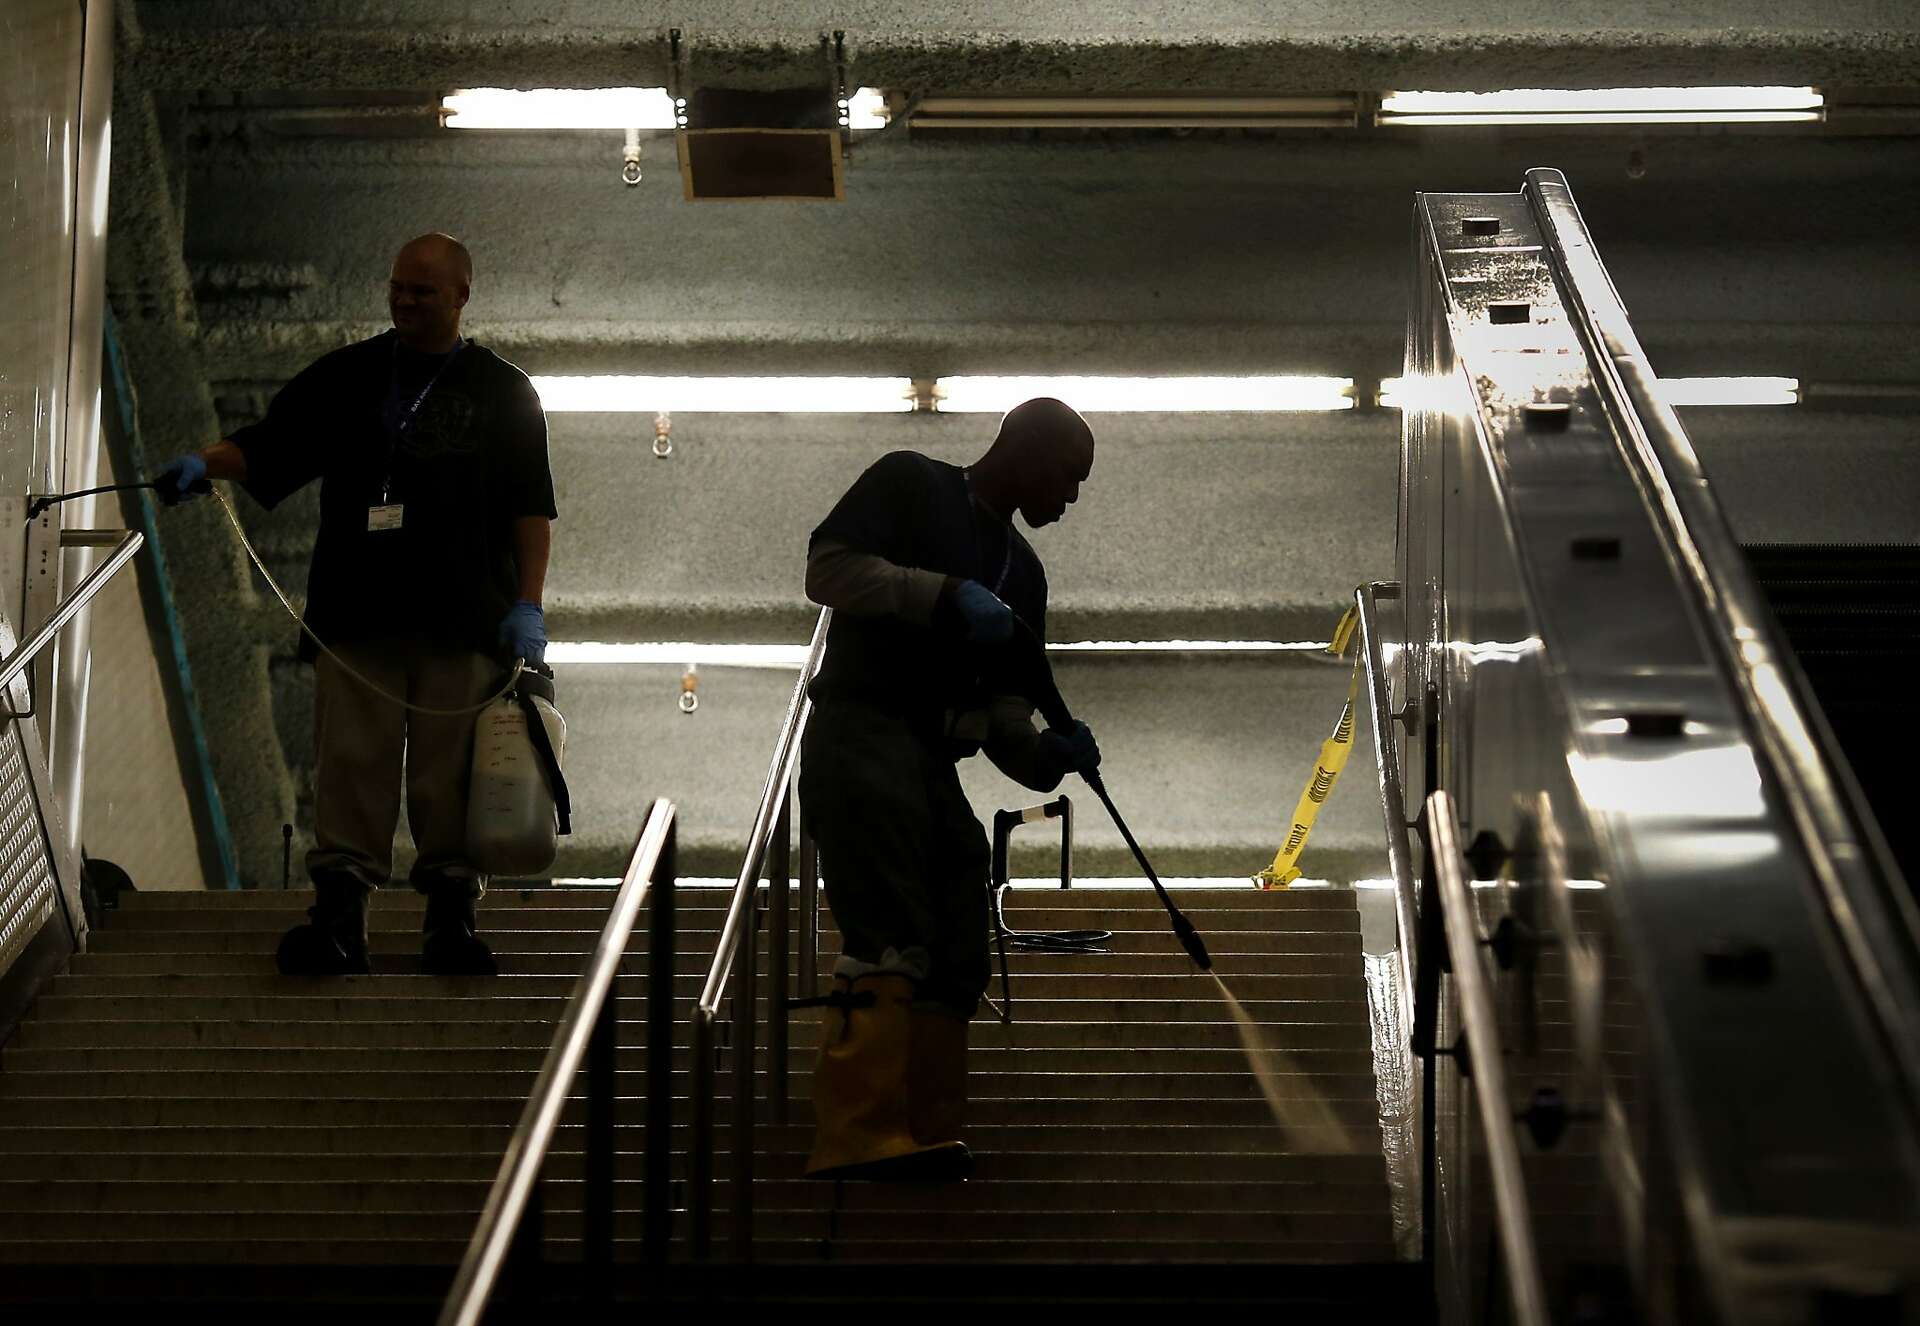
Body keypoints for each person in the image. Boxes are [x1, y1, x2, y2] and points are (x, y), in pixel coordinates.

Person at [153, 233, 557, 977]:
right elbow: (274, 443)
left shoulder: (505, 392)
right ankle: (339, 921)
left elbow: (532, 512)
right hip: (356, 616)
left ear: (463, 296)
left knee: (451, 777)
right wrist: (201, 465)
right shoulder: (351, 375)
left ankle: (449, 923)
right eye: (398, 286)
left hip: (465, 620)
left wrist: (528, 607)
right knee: (349, 767)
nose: (405, 300)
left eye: (423, 291)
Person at [798, 398, 1102, 1181]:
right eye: (1068, 477)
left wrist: (1050, 757)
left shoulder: (1025, 574)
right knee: (892, 927)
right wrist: (940, 595)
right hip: (861, 732)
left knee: (960, 929)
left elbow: (1005, 721)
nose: (1070, 499)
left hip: (933, 759)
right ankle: (857, 1133)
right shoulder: (911, 483)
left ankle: (925, 1127)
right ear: (1024, 447)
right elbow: (827, 570)